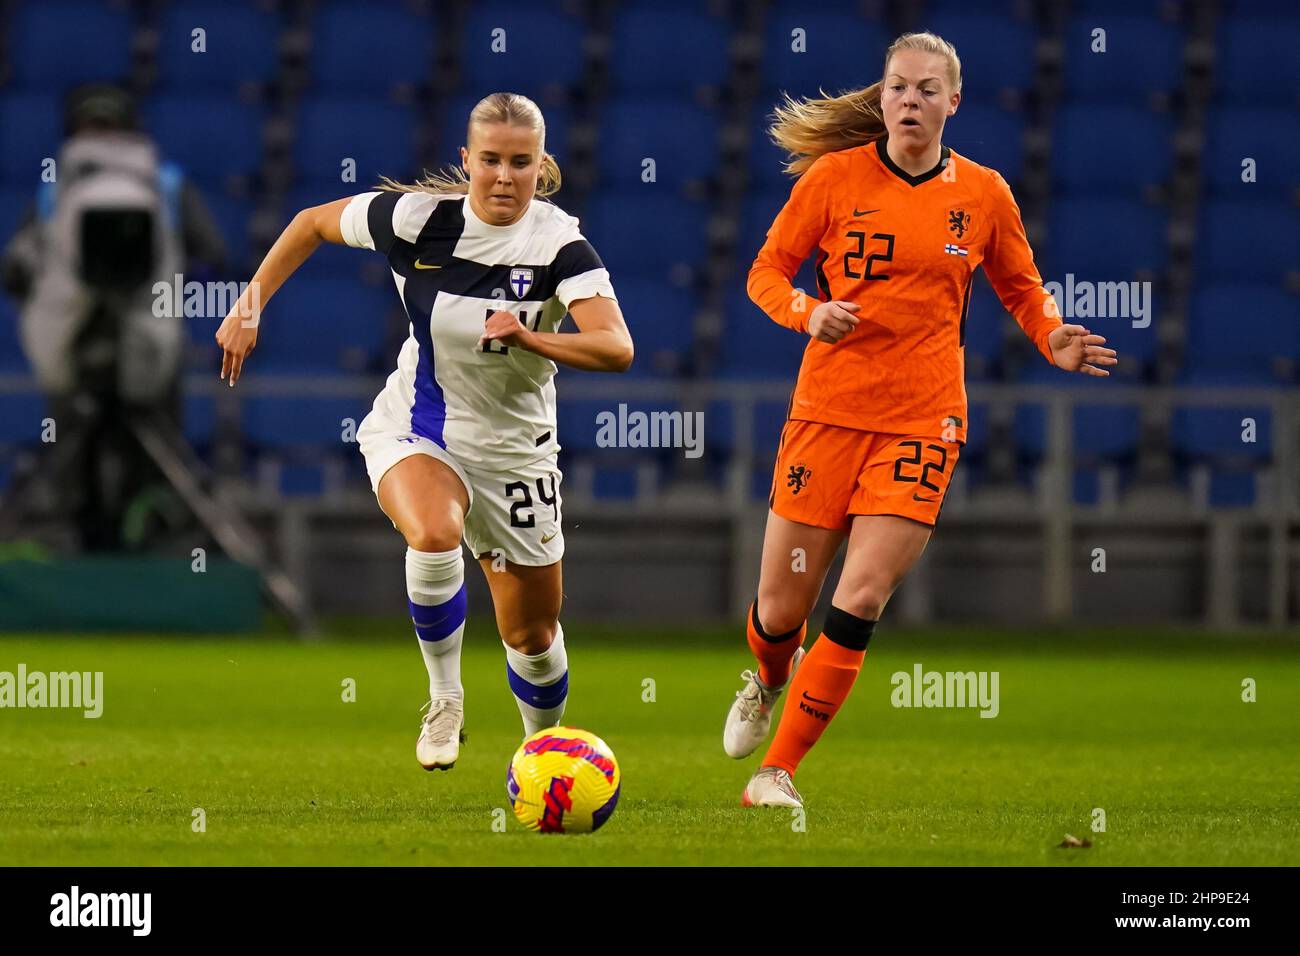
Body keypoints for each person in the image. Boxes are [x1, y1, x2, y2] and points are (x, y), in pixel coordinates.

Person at [724, 33, 1118, 807]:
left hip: (923, 420)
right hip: (827, 414)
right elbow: (765, 271)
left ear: (952, 102)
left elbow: (1022, 287)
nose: (910, 100)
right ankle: (769, 676)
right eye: (898, 87)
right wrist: (808, 312)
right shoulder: (834, 178)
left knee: (863, 596)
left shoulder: (985, 194)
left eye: (926, 89)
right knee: (779, 609)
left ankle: (776, 772)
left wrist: (1052, 336)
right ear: (883, 97)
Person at [214, 92, 633, 770]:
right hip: (420, 426)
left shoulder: (559, 245)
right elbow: (310, 223)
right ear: (467, 160)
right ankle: (445, 700)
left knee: (531, 635)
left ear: (540, 165)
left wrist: (532, 337)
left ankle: (543, 750)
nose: (504, 177)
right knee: (434, 533)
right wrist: (249, 305)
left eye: (520, 163)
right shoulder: (417, 220)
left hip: (515, 454)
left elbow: (616, 347)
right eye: (490, 160)